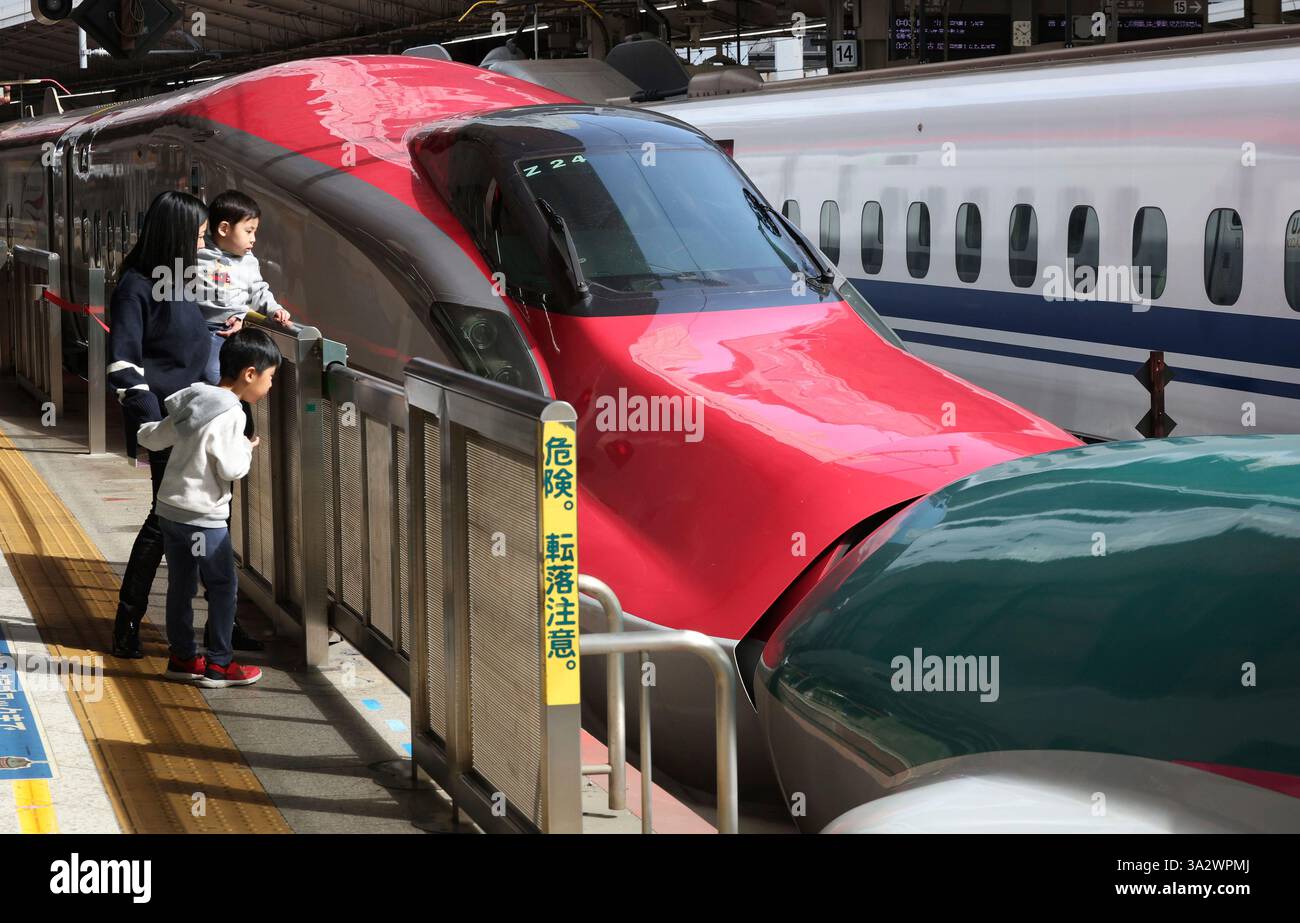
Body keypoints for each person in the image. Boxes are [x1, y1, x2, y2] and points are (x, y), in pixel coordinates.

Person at [136, 328, 279, 687]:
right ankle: (219, 664)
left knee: (180, 586)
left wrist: (143, 429)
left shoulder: (196, 400)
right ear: (250, 374)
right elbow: (231, 469)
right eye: (271, 377)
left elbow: (153, 437)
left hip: (170, 511)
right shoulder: (233, 414)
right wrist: (247, 447)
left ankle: (183, 657)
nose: (271, 385)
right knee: (221, 587)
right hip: (204, 519)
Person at [108, 191, 213, 659]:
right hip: (168, 422)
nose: (202, 241)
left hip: (199, 417)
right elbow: (125, 365)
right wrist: (152, 432)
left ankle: (220, 623)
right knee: (162, 521)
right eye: (198, 234)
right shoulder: (135, 287)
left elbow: (191, 338)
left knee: (207, 518)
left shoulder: (183, 282)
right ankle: (127, 622)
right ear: (177, 235)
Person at [195, 190, 292, 386]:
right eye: (249, 231)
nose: (253, 238)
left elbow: (259, 290)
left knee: (215, 376)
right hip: (197, 326)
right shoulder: (199, 252)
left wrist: (274, 309)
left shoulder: (248, 262)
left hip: (226, 331)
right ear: (224, 229)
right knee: (207, 376)